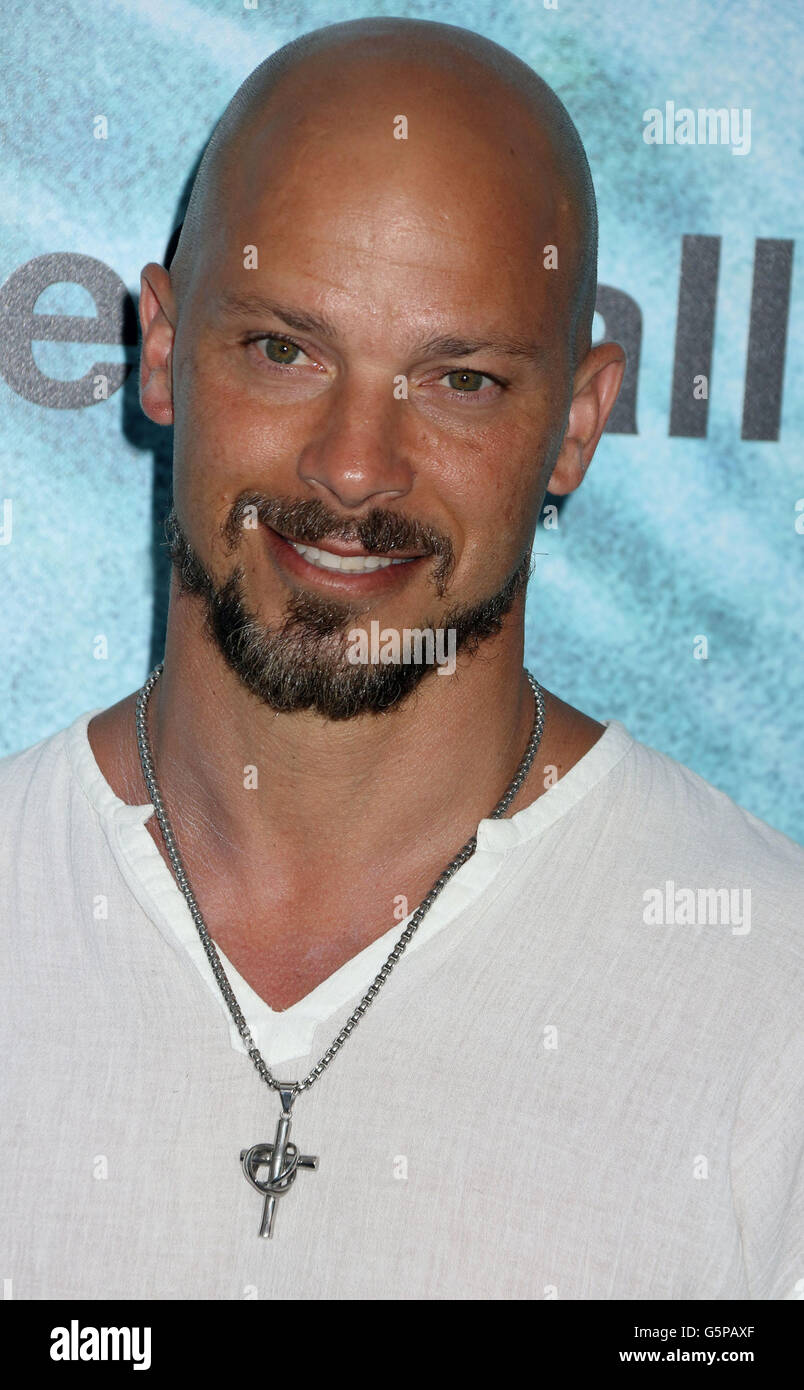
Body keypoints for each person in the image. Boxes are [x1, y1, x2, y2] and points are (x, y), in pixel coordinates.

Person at [1, 17, 801, 1301]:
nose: (355, 464)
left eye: (461, 379)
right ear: (159, 348)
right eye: (284, 349)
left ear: (578, 424)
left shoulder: (776, 1006)